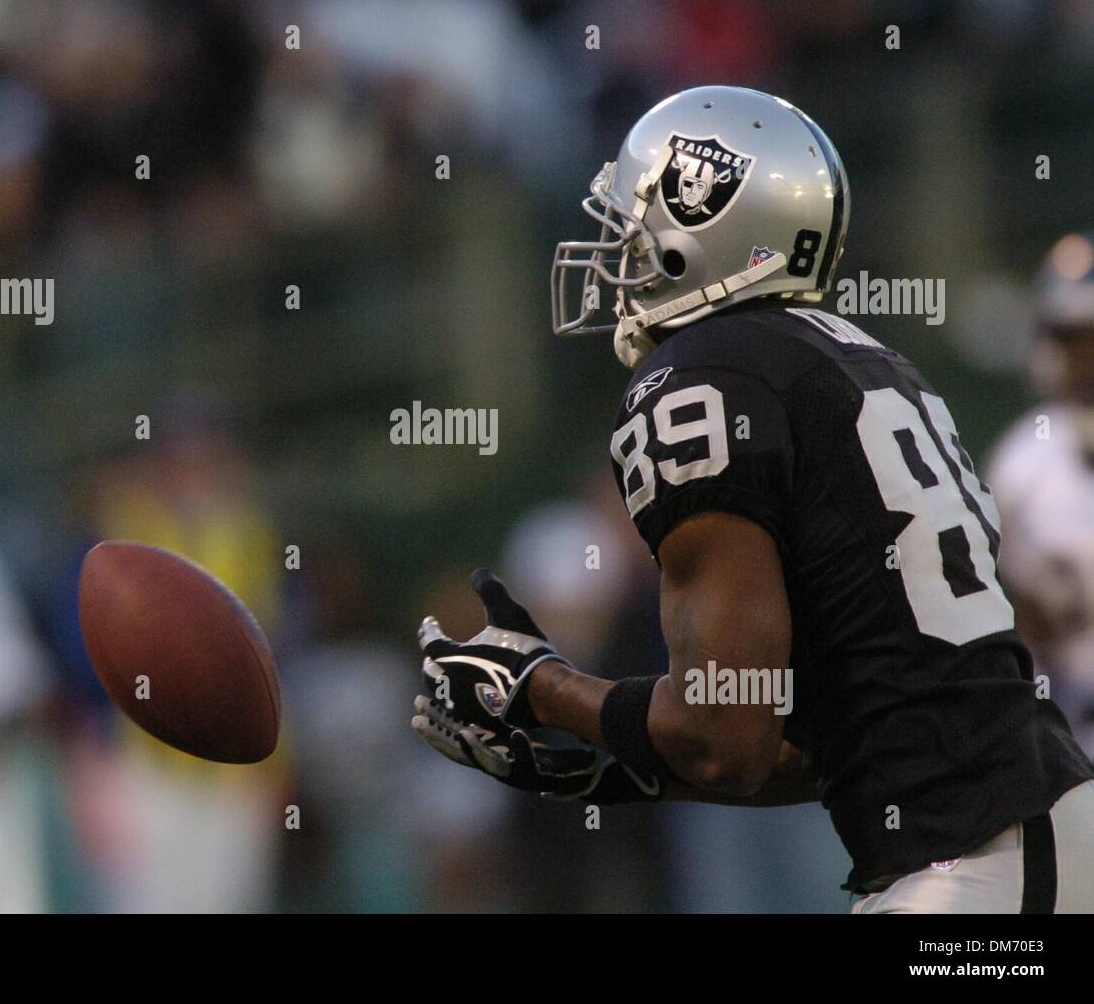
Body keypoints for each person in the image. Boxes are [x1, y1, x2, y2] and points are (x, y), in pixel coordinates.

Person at [412, 86, 1094, 914]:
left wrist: (540, 684)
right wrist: (601, 755)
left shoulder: (699, 378)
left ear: (702, 227)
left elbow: (723, 733)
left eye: (631, 225)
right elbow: (804, 746)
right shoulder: (858, 360)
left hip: (981, 866)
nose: (615, 252)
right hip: (1027, 836)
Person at [988, 233, 1094, 755]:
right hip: (1072, 727)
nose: (1086, 356)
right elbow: (1021, 615)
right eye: (1074, 337)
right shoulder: (1024, 459)